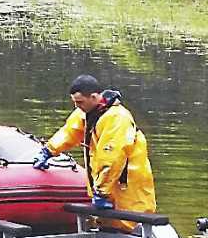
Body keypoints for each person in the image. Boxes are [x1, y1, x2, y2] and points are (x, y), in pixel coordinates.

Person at [35, 74, 156, 226]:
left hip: (126, 179)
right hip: (105, 182)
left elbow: (111, 158)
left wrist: (102, 191)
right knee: (107, 219)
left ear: (93, 97)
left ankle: (137, 237)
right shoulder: (86, 113)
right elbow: (70, 132)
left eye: (80, 102)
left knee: (130, 215)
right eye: (75, 102)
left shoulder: (117, 118)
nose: (77, 106)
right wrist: (49, 150)